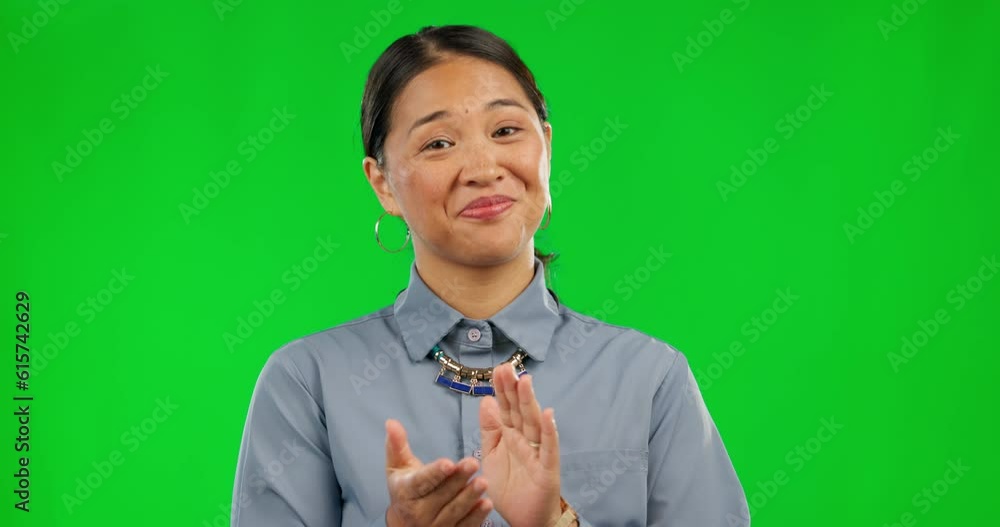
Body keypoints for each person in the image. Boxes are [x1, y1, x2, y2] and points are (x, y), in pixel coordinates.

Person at [232, 24, 749, 527]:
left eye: (505, 131)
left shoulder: (650, 378)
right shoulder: (307, 383)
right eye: (438, 143)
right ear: (383, 184)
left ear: (546, 148)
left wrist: (555, 523)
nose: (483, 169)